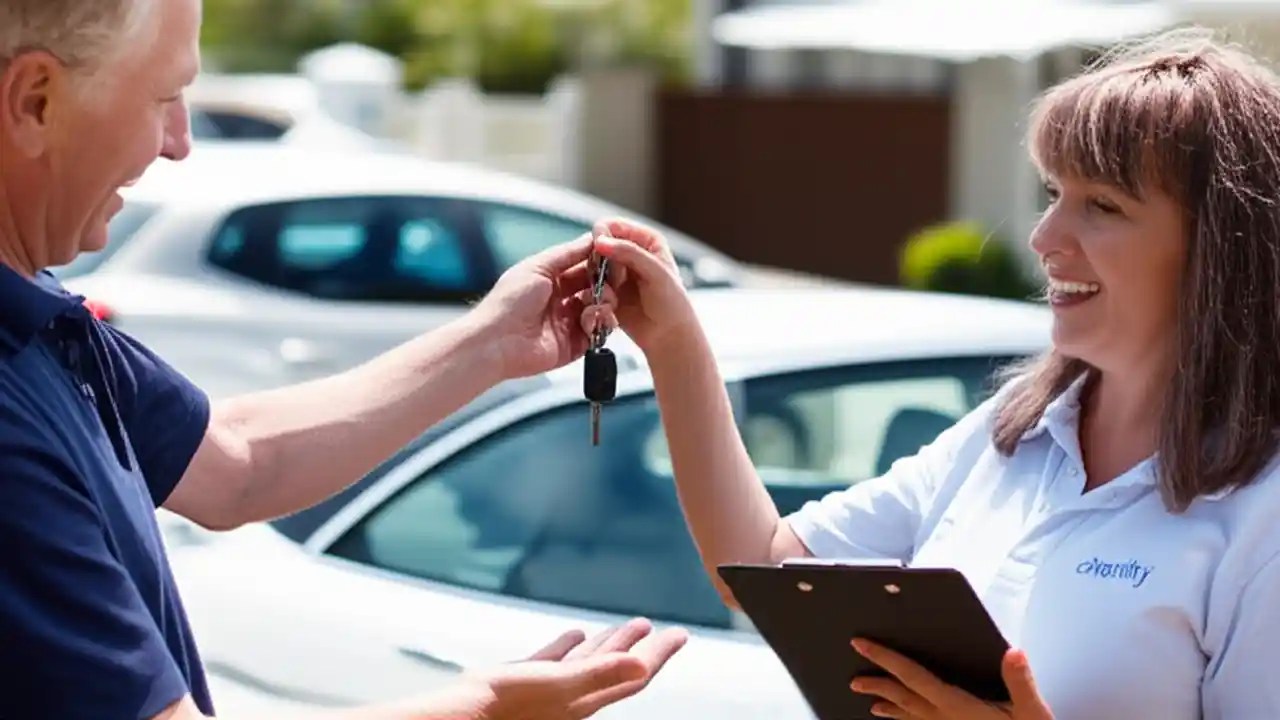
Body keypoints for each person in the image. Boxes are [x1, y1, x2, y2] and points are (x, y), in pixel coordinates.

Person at [0, 0, 684, 719]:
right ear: (34, 101)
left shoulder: (38, 317)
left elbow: (238, 464)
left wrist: (493, 344)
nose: (179, 141)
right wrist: (483, 707)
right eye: (165, 97)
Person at [589, 28, 1280, 720]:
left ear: (1221, 249)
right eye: (1053, 194)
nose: (1043, 239)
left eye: (1102, 206)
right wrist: (673, 343)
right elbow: (765, 570)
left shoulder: (1263, 515)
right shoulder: (1011, 432)